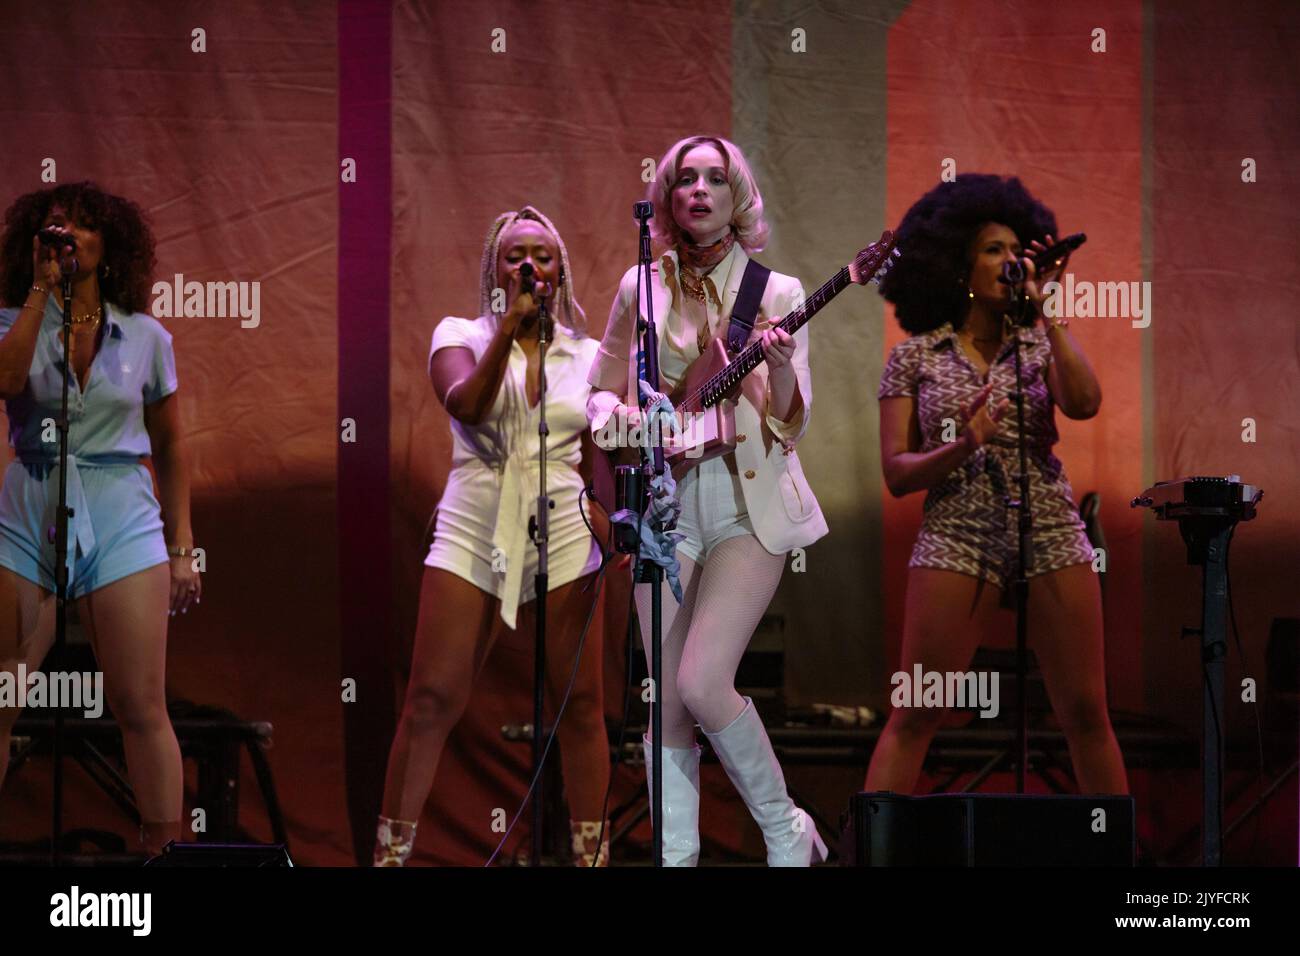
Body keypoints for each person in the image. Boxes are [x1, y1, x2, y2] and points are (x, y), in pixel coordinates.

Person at [587, 135, 829, 866]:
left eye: (714, 179)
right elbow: (596, 390)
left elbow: (790, 418)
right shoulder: (641, 287)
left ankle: (786, 829)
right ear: (666, 198)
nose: (698, 190)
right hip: (665, 507)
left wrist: (779, 369)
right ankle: (678, 858)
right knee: (667, 701)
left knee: (701, 680)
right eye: (684, 179)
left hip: (744, 506)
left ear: (738, 196)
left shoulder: (775, 291)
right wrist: (623, 421)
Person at [864, 174, 1128, 796]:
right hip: (957, 528)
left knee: (1087, 715)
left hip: (1049, 524)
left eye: (1017, 250)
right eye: (993, 249)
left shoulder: (1038, 342)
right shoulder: (917, 357)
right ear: (959, 266)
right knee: (918, 712)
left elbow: (1086, 403)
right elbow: (897, 473)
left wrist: (1049, 314)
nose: (1010, 260)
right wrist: (963, 445)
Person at [375, 207, 611, 866]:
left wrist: (604, 509)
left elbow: (605, 446)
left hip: (562, 520)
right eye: (514, 255)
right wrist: (508, 330)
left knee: (582, 705)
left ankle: (592, 859)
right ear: (495, 270)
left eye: (541, 253)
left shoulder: (590, 356)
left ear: (559, 270)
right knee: (430, 699)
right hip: (476, 512)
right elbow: (467, 404)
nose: (528, 265)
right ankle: (390, 856)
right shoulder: (460, 333)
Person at [0, 182, 200, 856]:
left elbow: (170, 444)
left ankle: (160, 855)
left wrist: (183, 545)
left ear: (107, 247)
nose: (69, 235)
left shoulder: (147, 336)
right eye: (56, 226)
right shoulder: (12, 321)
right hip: (30, 502)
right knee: (2, 692)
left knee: (141, 706)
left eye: (84, 227)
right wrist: (37, 291)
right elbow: (5, 380)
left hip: (122, 511)